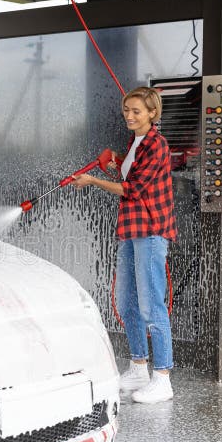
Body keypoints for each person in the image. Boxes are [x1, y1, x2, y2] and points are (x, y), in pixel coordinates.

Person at [71, 86, 177, 404]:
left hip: (151, 230)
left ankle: (163, 378)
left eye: (136, 111)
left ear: (152, 113)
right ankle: (138, 367)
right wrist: (116, 159)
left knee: (151, 306)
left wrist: (92, 180)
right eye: (127, 110)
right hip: (131, 229)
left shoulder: (157, 145)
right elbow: (127, 171)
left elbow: (133, 188)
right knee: (125, 300)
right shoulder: (137, 142)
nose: (129, 116)